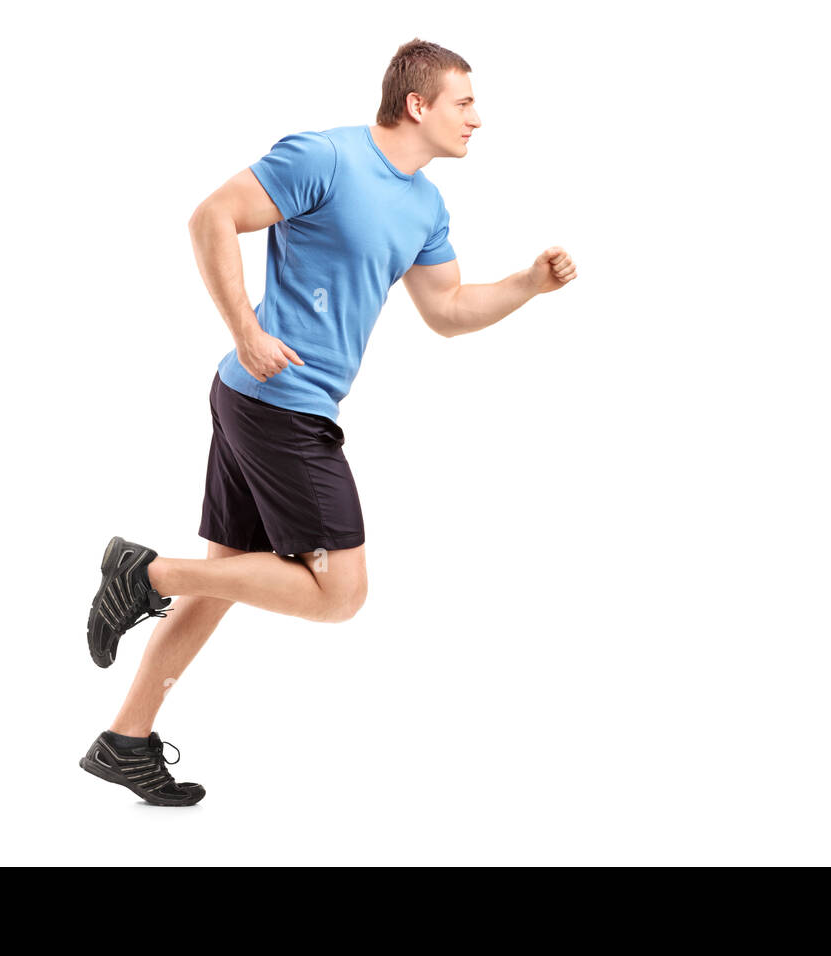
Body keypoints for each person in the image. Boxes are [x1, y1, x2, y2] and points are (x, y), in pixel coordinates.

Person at [79, 38, 578, 805]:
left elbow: (445, 310)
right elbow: (211, 215)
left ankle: (127, 740)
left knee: (229, 579)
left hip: (264, 403)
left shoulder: (425, 203)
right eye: (465, 102)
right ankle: (144, 575)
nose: (478, 118)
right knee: (339, 591)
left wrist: (524, 285)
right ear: (418, 104)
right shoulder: (326, 157)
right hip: (278, 403)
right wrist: (246, 327)